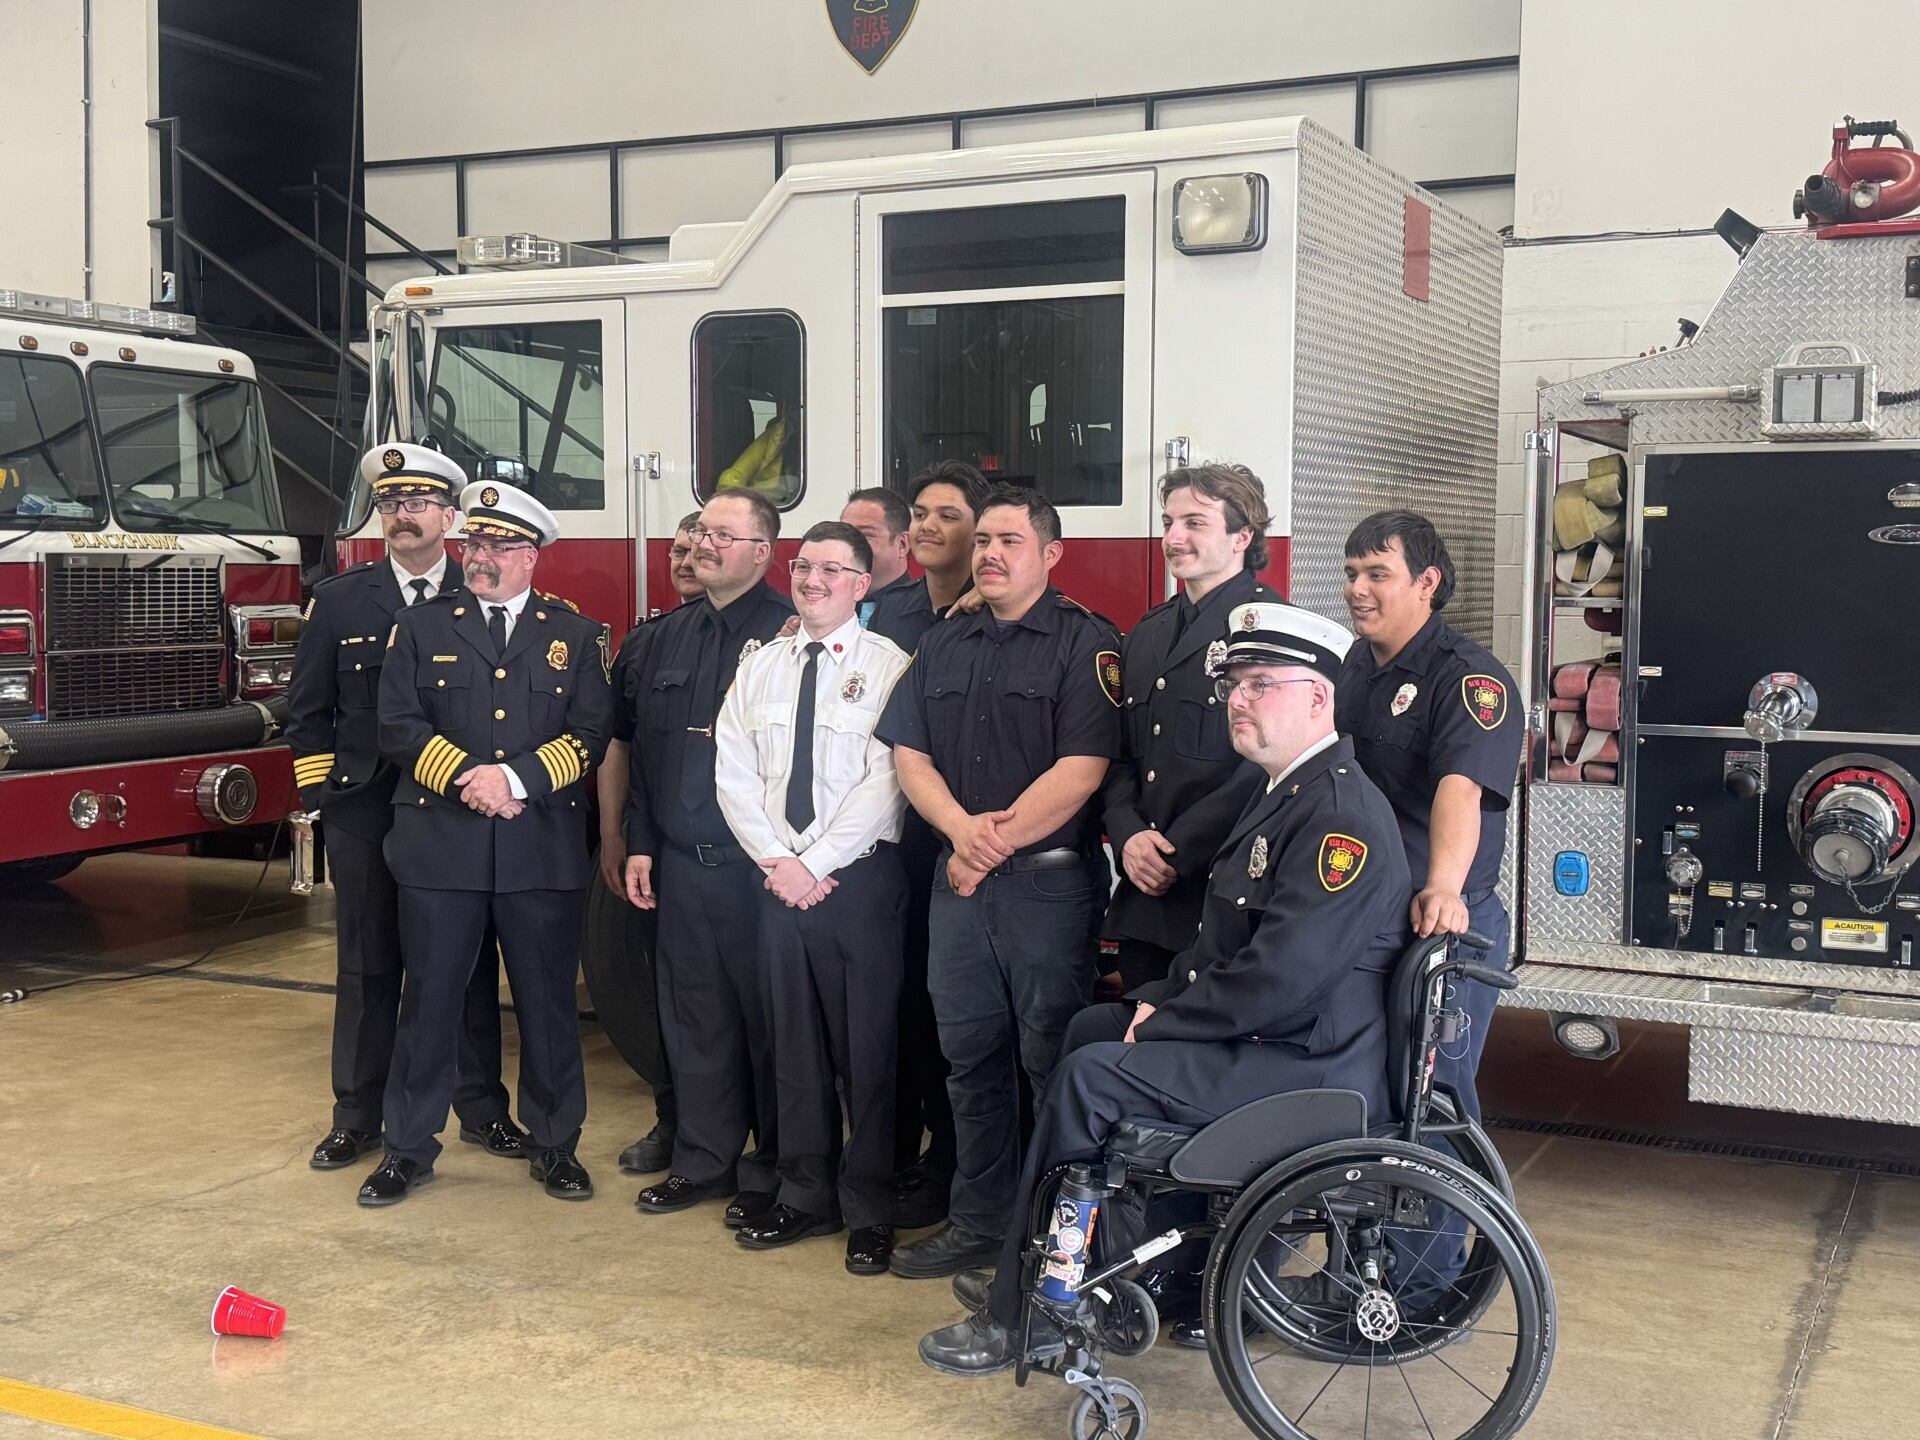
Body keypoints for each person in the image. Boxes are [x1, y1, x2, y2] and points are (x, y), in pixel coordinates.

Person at [918, 601, 1412, 1374]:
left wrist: (1165, 1022)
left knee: (1089, 1077)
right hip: (1273, 1042)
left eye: (1260, 685)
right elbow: (1223, 942)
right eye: (1234, 687)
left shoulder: (1337, 818)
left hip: (1305, 1068)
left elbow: (1280, 978)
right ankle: (1105, 1272)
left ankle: (1033, 1313)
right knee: (1089, 1030)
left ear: (1319, 698)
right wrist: (1161, 997)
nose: (1239, 701)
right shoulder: (1284, 791)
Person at [877, 484, 1122, 1280]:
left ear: (1050, 555)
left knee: (1051, 1063)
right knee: (971, 1061)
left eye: (1008, 541)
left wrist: (989, 844)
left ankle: (1058, 1238)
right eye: (982, 540)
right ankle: (979, 1223)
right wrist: (959, 832)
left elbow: (1082, 772)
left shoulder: (1086, 644)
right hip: (962, 884)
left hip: (1046, 890)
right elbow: (907, 753)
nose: (988, 554)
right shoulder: (944, 645)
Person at [357, 479, 612, 1206]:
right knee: (429, 1002)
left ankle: (556, 1145)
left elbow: (590, 735)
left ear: (533, 556)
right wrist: (473, 778)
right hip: (442, 848)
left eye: (500, 545)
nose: (482, 556)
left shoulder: (576, 635)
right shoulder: (423, 627)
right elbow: (399, 726)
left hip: (539, 852)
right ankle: (407, 1148)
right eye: (475, 542)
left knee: (547, 1008)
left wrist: (517, 781)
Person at [291, 443, 527, 1172]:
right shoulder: (339, 601)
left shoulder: (482, 590)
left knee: (462, 965)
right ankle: (357, 1116)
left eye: (418, 504)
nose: (402, 516)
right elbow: (308, 712)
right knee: (368, 964)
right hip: (367, 810)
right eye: (391, 505)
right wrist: (324, 799)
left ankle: (482, 1108)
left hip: (451, 810)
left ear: (451, 517)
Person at [715, 521, 913, 1274]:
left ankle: (869, 1207)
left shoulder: (890, 666)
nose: (814, 580)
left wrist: (817, 861)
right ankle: (803, 1195)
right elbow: (732, 770)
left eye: (834, 569)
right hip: (777, 880)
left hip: (857, 883)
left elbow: (888, 779)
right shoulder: (761, 665)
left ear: (862, 585)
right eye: (805, 567)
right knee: (790, 1047)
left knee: (869, 1051)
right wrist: (776, 859)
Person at [624, 490, 794, 1223]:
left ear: (762, 551)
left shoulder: (792, 633)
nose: (704, 544)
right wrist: (638, 845)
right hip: (682, 865)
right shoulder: (664, 638)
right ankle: (702, 1162)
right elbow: (642, 756)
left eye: (724, 534)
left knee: (773, 1029)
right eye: (700, 532)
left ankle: (776, 1169)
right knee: (695, 1023)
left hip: (762, 872)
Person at [1337, 511, 1521, 1122]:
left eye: (1377, 574)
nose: (1358, 589)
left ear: (1426, 582)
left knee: (1434, 1096)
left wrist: (1443, 888)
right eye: (1352, 572)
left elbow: (1460, 788)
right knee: (1377, 1087)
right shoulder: (1354, 667)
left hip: (1439, 920)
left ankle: (1441, 1219)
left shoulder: (1469, 678)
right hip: (1371, 910)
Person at [866, 461, 991, 1228]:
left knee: (959, 1019)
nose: (925, 528)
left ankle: (955, 1166)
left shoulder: (994, 613)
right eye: (918, 514)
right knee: (903, 1004)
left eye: (946, 515)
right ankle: (909, 1158)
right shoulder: (885, 612)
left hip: (966, 842)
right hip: (889, 838)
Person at [1100, 462, 1276, 992]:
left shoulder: (1272, 631)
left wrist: (1173, 852)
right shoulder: (1148, 634)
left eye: (1194, 523)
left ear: (1242, 536)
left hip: (1222, 897)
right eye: (1167, 522)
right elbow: (1121, 755)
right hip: (1144, 904)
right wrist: (1129, 836)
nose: (1173, 538)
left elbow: (1268, 769)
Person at [599, 511, 704, 1177]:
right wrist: (612, 834)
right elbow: (618, 743)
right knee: (664, 997)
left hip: (742, 861)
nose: (689, 560)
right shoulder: (645, 643)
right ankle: (672, 1122)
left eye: (703, 548)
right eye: (679, 549)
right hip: (656, 849)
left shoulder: (776, 630)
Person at [841, 487, 916, 625]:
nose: (849, 544)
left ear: (903, 545)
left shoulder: (922, 612)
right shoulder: (828, 606)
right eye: (844, 534)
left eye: (865, 535)